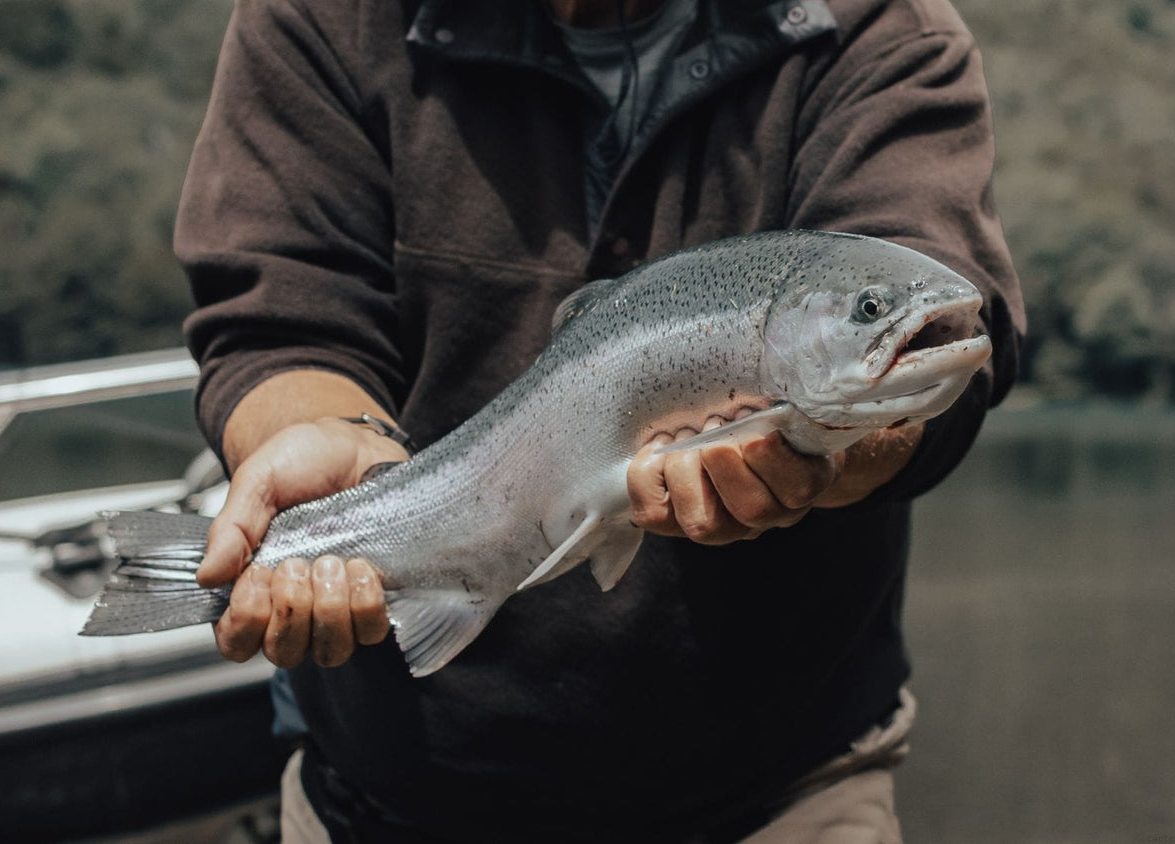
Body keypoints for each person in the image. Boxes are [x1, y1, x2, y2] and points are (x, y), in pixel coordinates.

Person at [174, 0, 1026, 840]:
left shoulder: (881, 27)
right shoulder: (321, 17)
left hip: (777, 800)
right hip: (387, 799)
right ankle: (180, 578)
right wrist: (323, 428)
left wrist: (830, 453)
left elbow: (943, 298)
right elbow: (280, 315)